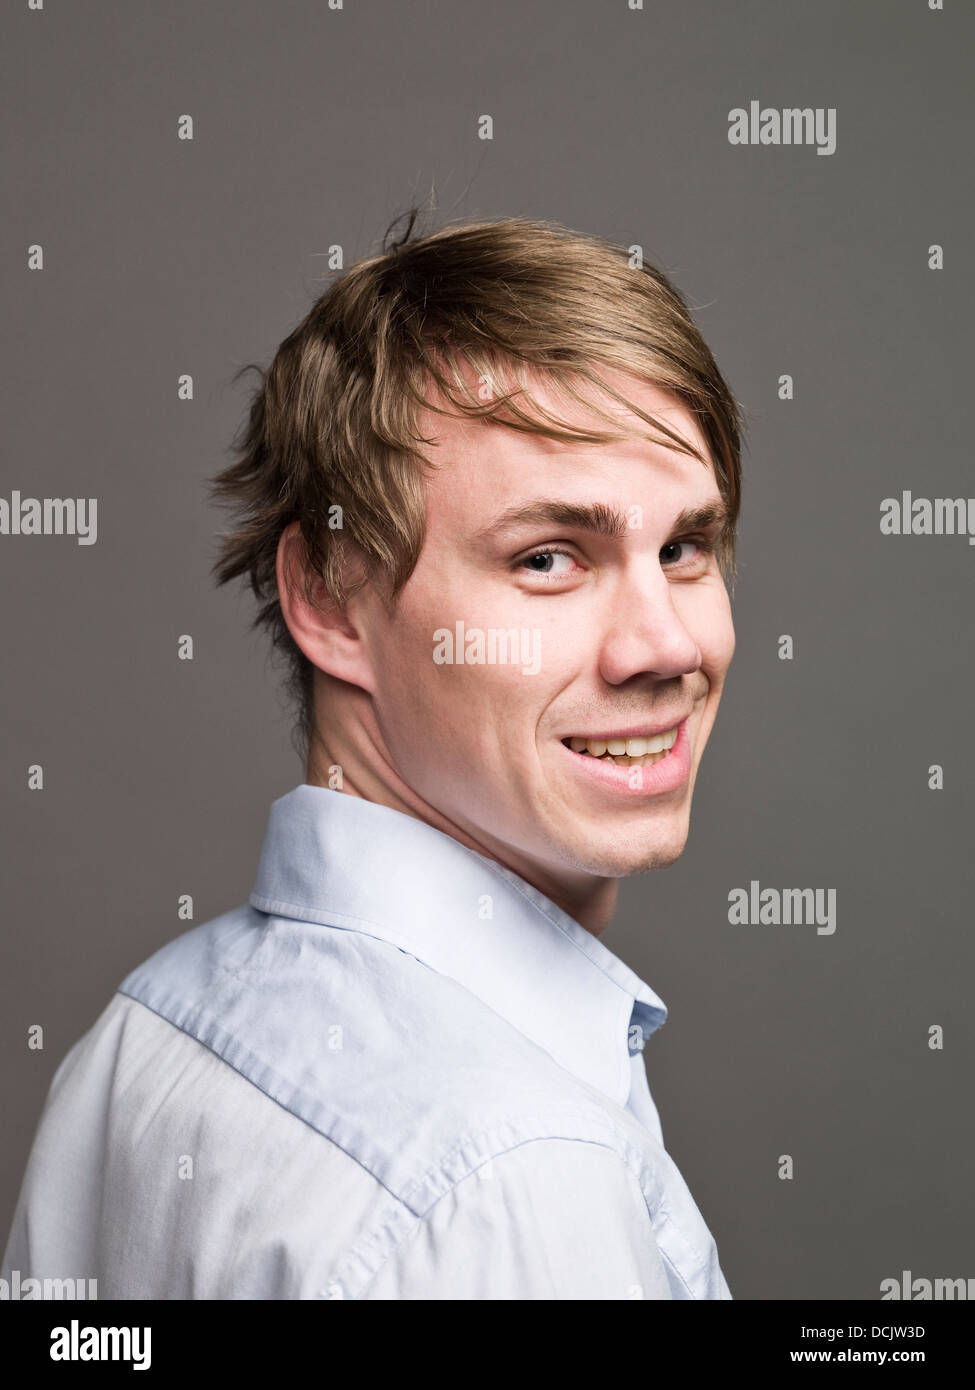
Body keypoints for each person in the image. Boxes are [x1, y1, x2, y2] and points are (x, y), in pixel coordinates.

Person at [2, 211, 743, 1299]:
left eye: (683, 548)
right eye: (548, 558)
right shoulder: (514, 1184)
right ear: (329, 597)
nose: (668, 644)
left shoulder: (140, 1036)